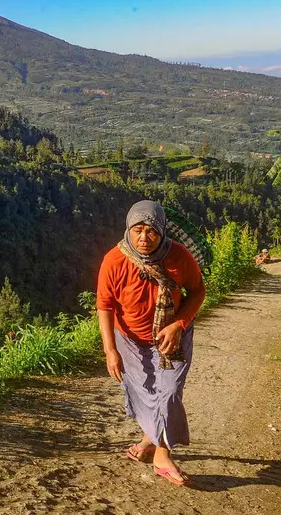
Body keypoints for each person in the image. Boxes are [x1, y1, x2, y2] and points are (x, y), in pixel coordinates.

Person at [97, 200, 206, 486]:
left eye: (151, 231)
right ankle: (150, 441)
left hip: (173, 335)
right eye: (137, 230)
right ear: (128, 230)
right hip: (130, 341)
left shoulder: (178, 257)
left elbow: (196, 291)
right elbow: (105, 306)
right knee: (145, 391)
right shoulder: (114, 260)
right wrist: (110, 350)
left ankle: (162, 455)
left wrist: (178, 325)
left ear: (162, 232)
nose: (144, 238)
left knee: (168, 391)